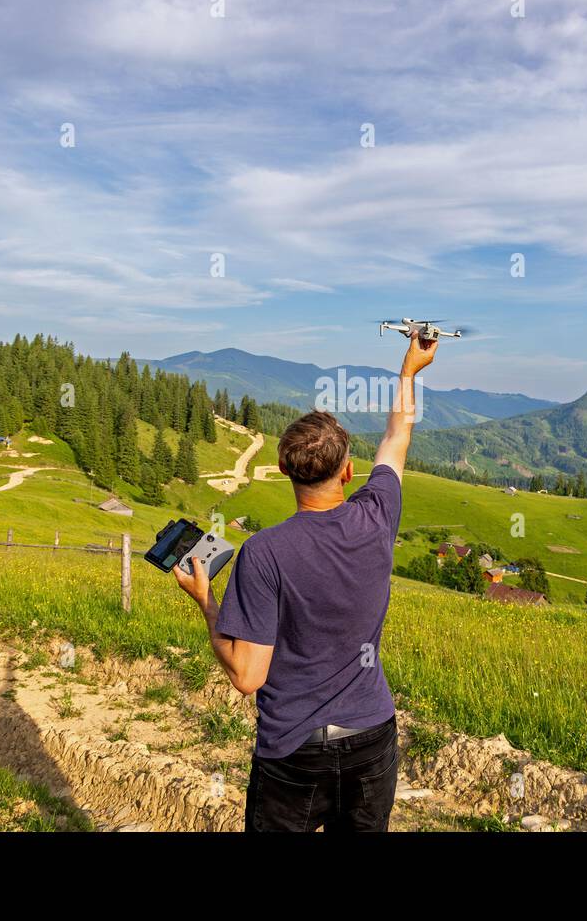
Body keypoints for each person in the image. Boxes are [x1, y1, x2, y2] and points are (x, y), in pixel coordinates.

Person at [172, 330, 438, 831]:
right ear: (349, 471)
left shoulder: (264, 553)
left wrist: (206, 601)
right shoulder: (377, 514)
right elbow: (397, 438)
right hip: (372, 739)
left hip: (294, 752)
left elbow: (247, 678)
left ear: (284, 471)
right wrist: (409, 372)